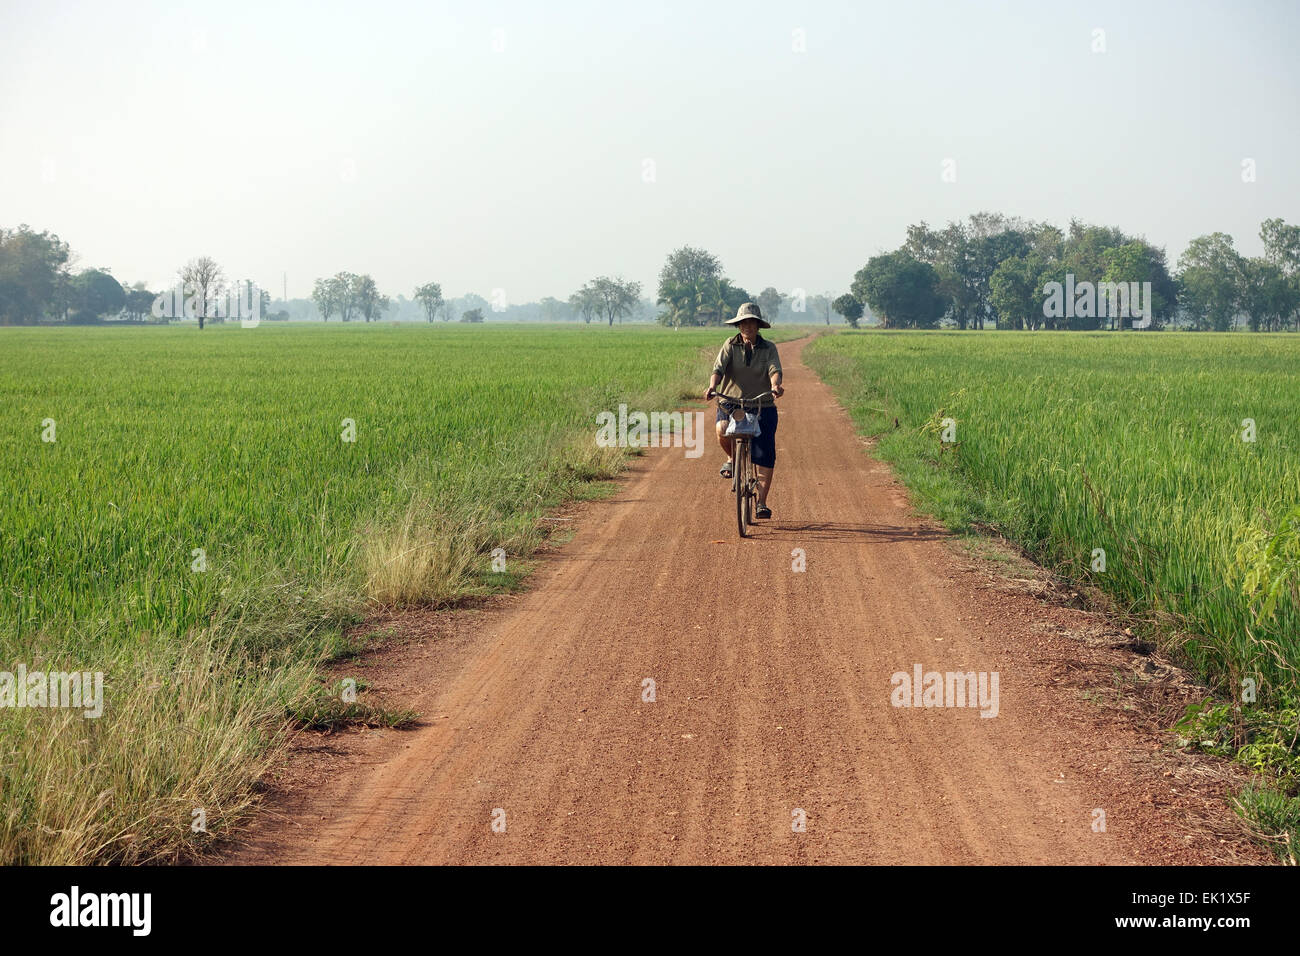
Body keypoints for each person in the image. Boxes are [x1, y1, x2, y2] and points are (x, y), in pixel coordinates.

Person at [703, 302, 784, 519]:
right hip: (732, 403)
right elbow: (718, 368)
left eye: (752, 322)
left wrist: (775, 386)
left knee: (765, 454)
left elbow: (774, 369)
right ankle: (732, 458)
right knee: (722, 428)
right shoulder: (730, 344)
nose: (748, 326)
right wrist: (713, 386)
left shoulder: (769, 348)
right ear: (738, 326)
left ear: (758, 326)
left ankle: (762, 503)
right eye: (743, 323)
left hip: (761, 404)